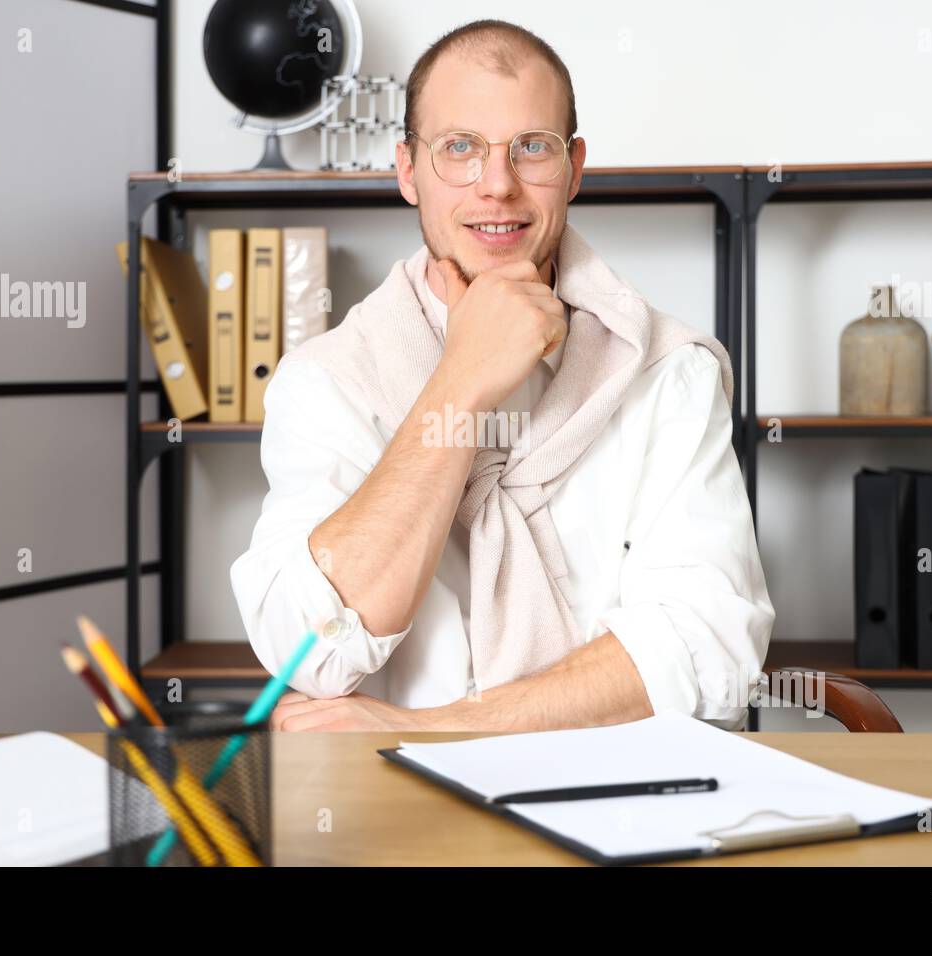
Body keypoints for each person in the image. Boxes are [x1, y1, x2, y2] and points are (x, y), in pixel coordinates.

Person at [231, 19, 773, 733]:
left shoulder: (668, 372)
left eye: (532, 149)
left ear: (574, 167)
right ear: (406, 170)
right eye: (459, 148)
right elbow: (310, 648)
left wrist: (438, 729)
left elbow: (710, 646)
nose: (498, 186)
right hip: (399, 821)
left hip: (623, 806)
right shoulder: (324, 381)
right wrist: (460, 381)